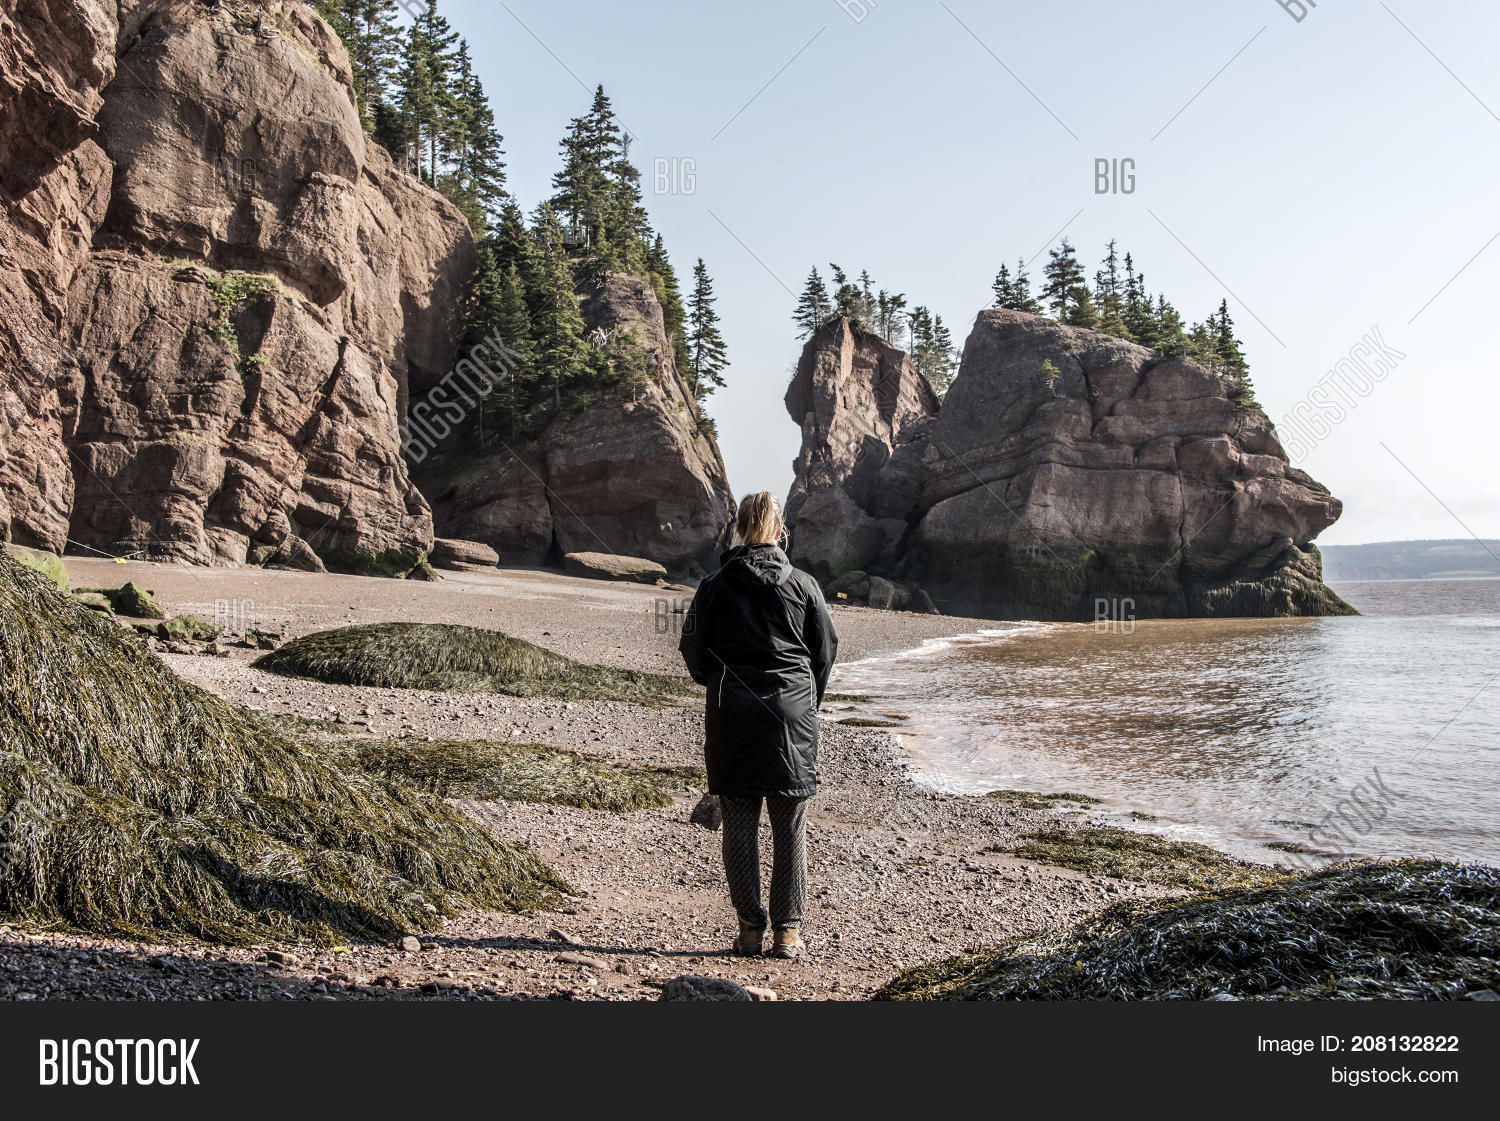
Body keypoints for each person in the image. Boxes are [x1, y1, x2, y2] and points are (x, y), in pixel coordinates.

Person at [679, 492, 838, 960]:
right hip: (791, 713)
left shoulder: (714, 585)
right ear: (779, 529)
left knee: (739, 822)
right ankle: (787, 932)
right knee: (790, 825)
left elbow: (693, 648)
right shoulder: (804, 584)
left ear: (740, 526)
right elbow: (825, 651)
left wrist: (718, 682)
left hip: (733, 710)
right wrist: (806, 701)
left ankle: (750, 929)